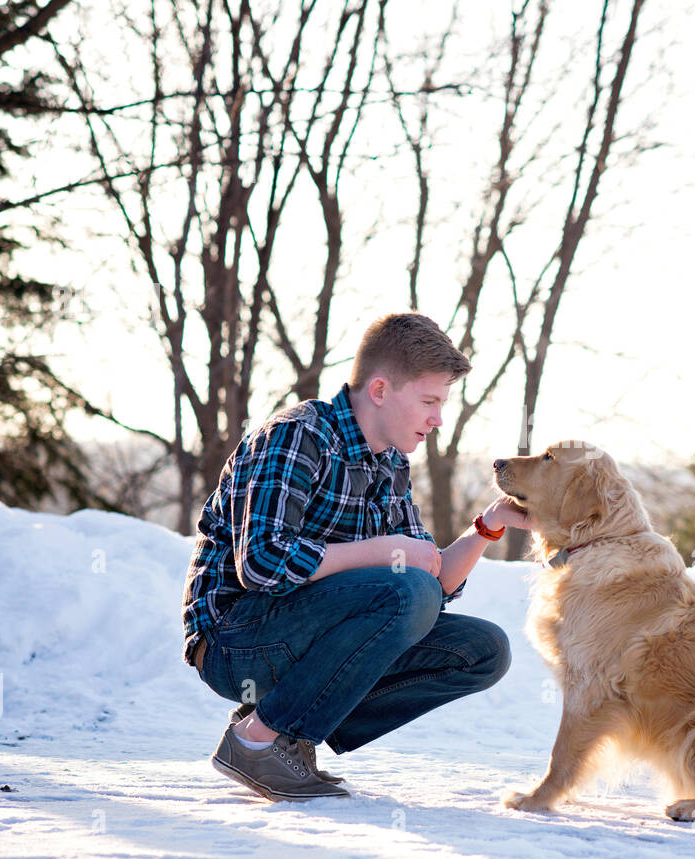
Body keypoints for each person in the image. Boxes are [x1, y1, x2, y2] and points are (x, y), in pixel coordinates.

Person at [181, 312, 531, 801]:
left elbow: (435, 583)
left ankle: (286, 728)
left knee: (483, 649)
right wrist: (386, 552)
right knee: (404, 589)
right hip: (234, 643)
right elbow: (261, 563)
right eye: (429, 401)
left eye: (442, 403)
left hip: (300, 642)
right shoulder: (296, 436)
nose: (438, 418)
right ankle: (255, 741)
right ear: (381, 390)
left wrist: (488, 526)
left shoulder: (390, 462)